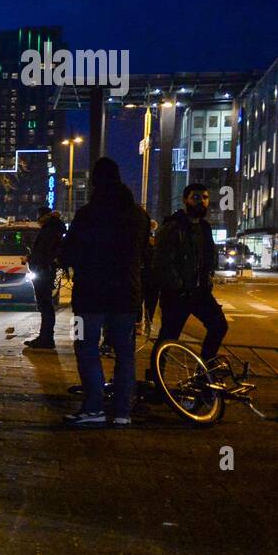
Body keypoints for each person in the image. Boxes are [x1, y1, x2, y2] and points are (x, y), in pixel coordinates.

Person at [58, 157, 152, 428]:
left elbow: (69, 252)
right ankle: (123, 412)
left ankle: (94, 407)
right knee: (125, 353)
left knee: (85, 347)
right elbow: (146, 254)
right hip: (126, 296)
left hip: (89, 296)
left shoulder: (87, 214)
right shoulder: (138, 216)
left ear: (95, 182)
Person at [152, 184, 228, 366]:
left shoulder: (204, 228)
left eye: (204, 197)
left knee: (219, 326)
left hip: (199, 292)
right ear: (185, 200)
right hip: (177, 295)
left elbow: (208, 256)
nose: (201, 201)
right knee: (168, 337)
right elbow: (162, 262)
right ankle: (156, 378)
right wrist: (177, 286)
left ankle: (205, 372)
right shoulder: (173, 227)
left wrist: (208, 276)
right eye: (196, 197)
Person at [24, 205, 65, 350]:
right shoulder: (53, 228)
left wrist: (36, 261)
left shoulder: (49, 230)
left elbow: (45, 253)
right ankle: (45, 337)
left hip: (44, 272)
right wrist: (32, 258)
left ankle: (46, 339)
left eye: (38, 217)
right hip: (44, 270)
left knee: (45, 305)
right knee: (45, 305)